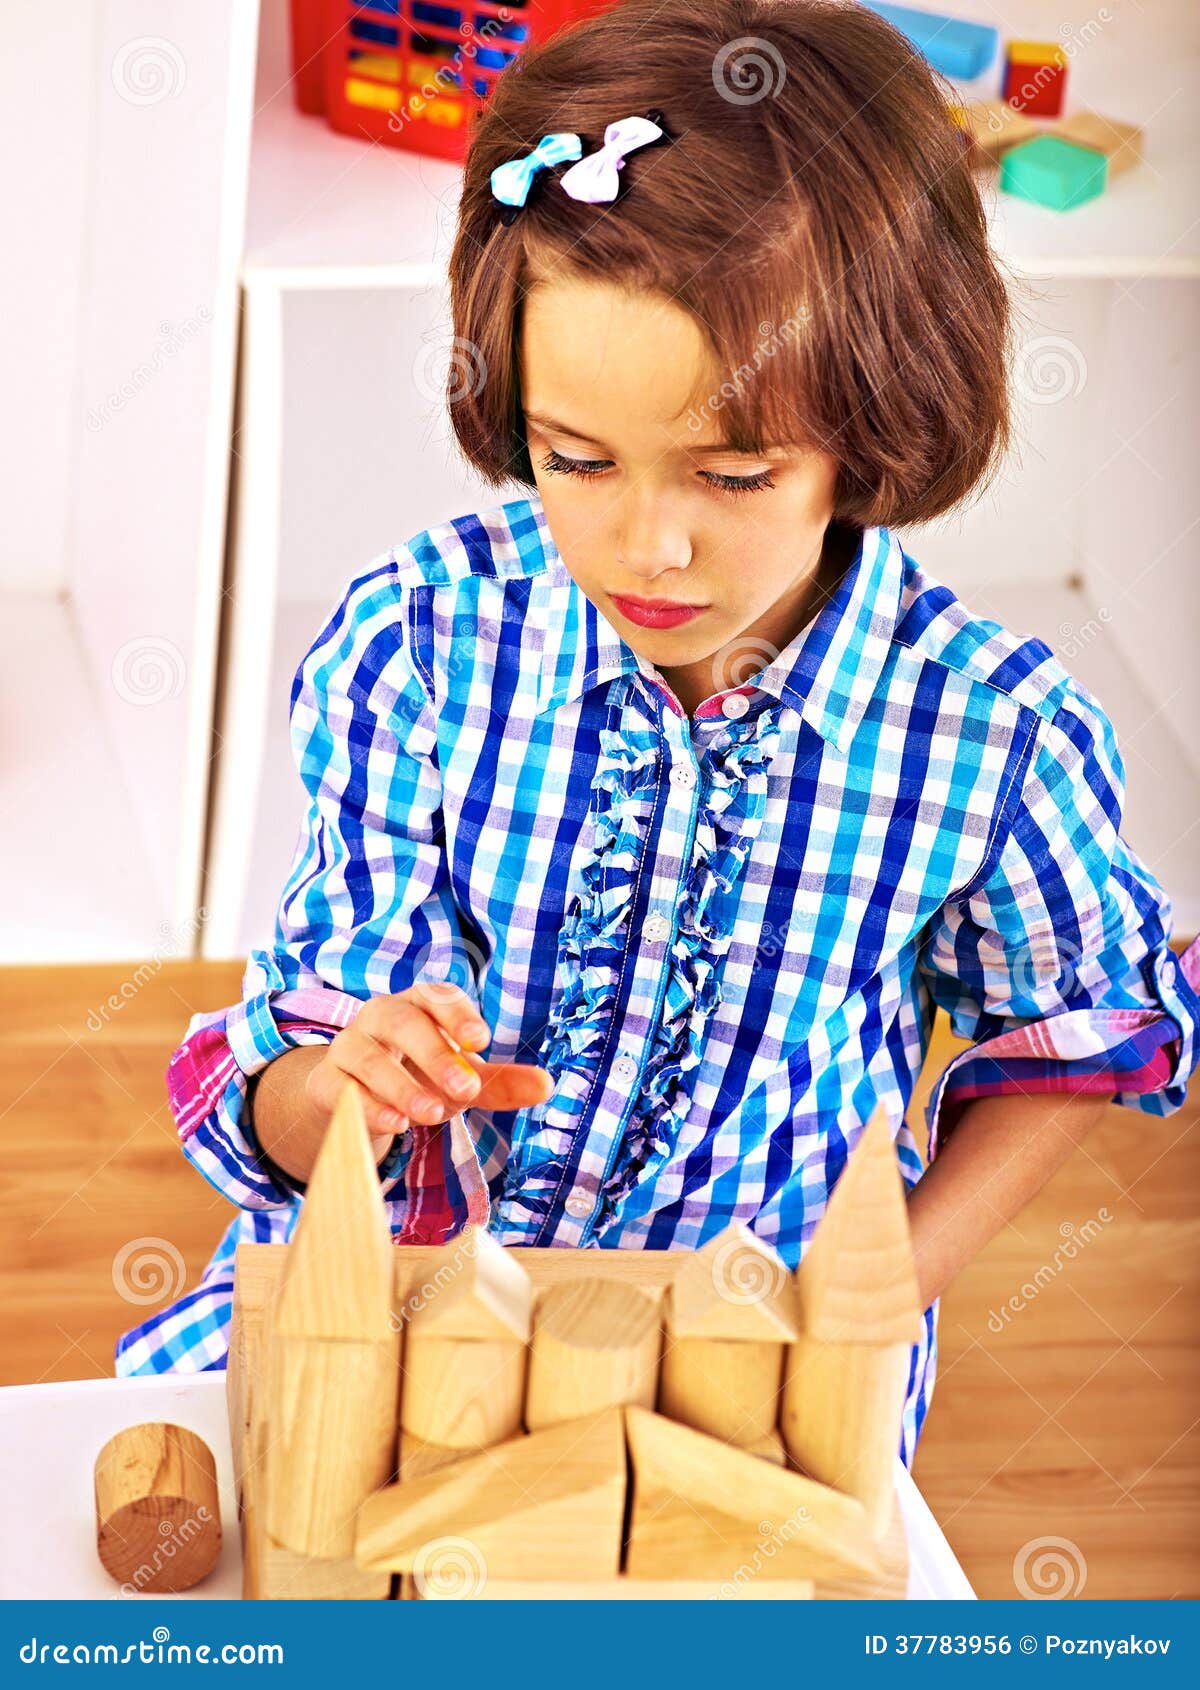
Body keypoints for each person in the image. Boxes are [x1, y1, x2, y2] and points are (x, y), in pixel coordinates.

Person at [115, 0, 1199, 1466]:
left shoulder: (993, 735)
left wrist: (887, 1280)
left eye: (735, 472)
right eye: (576, 460)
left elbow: (1067, 1032)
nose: (649, 547)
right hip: (406, 1306)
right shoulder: (416, 648)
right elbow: (306, 1076)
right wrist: (343, 1092)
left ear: (872, 433)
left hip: (749, 1349)